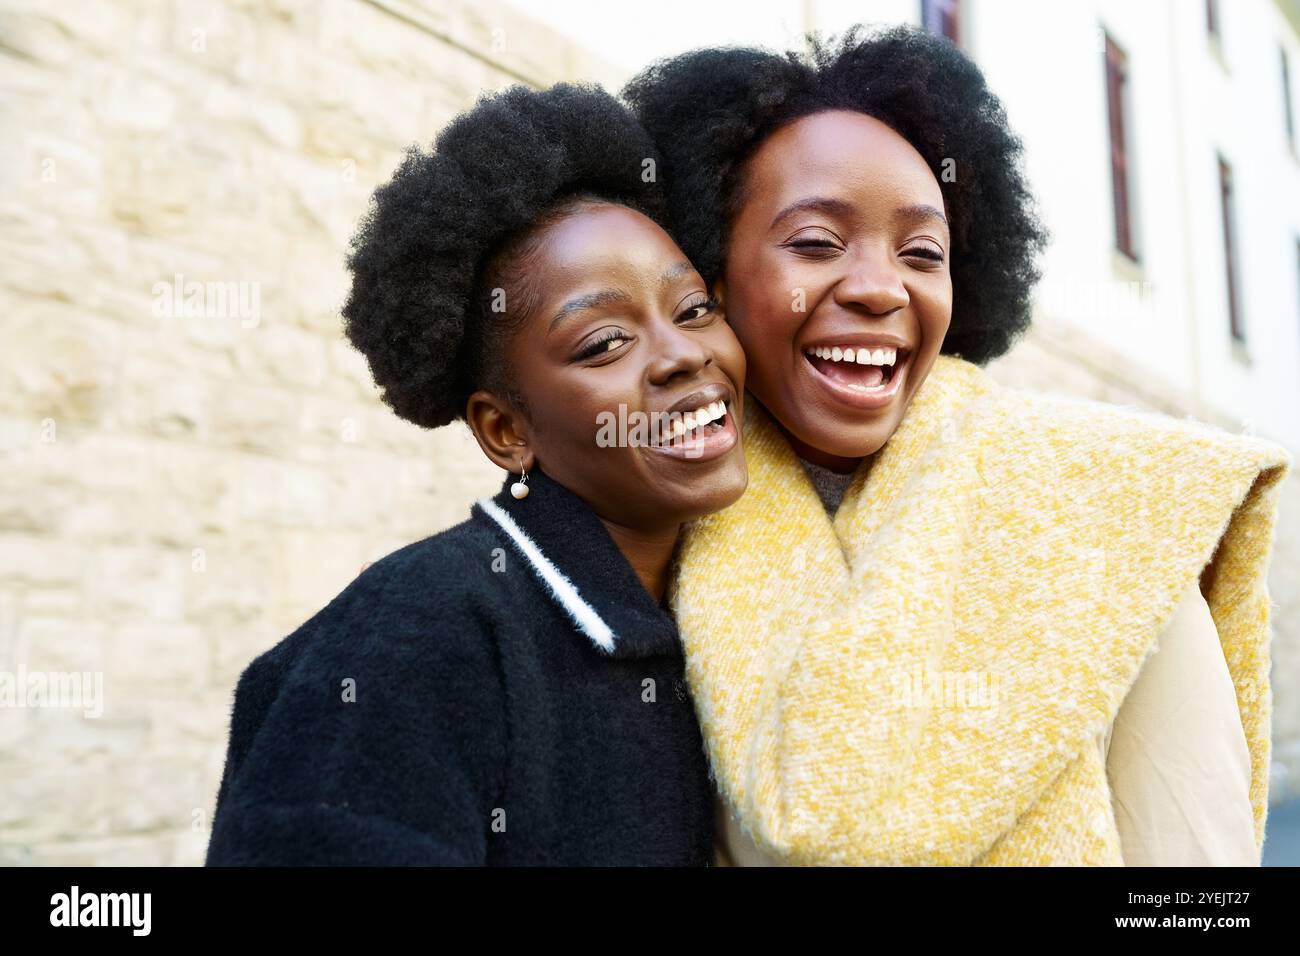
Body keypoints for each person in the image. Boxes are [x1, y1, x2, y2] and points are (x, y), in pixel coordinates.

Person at [624, 24, 1292, 865]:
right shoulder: (653, 520)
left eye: (922, 253)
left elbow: (1195, 862)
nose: (877, 287)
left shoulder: (1119, 514)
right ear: (709, 275)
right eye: (816, 243)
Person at [205, 83, 748, 865]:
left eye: (695, 309)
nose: (684, 355)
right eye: (604, 344)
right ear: (506, 431)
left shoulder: (726, 610)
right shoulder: (410, 641)